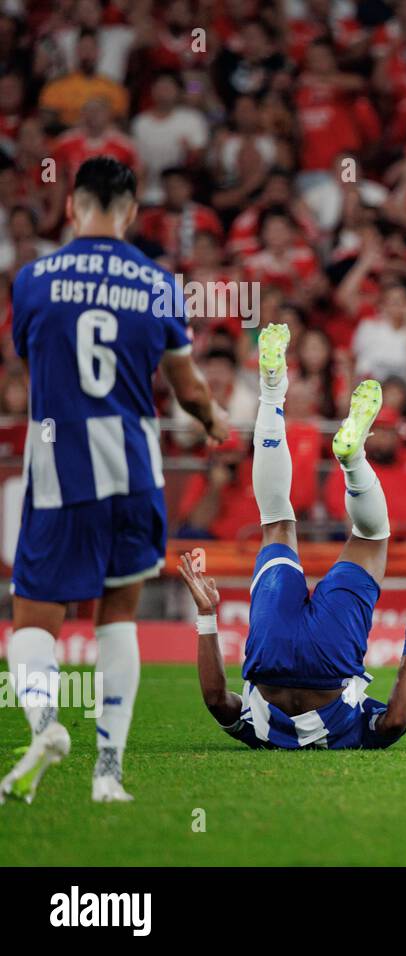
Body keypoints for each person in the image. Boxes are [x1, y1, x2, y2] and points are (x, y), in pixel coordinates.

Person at [1, 157, 225, 804]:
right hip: (133, 464)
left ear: (73, 207)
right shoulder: (156, 283)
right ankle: (108, 774)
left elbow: (32, 358)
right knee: (116, 616)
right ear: (131, 210)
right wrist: (212, 422)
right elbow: (188, 390)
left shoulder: (33, 280)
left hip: (59, 466)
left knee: (35, 620)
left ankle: (45, 725)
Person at [174, 324, 406, 748]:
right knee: (276, 518)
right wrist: (207, 616)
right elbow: (217, 700)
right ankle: (272, 392)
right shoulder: (258, 735)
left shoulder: (352, 735)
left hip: (331, 665)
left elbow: (396, 721)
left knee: (370, 534)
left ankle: (352, 458)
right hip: (271, 657)